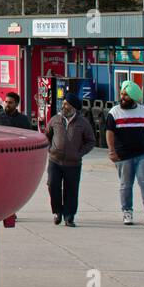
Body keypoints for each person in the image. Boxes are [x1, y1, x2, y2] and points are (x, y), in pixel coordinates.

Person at [105, 80, 144, 226]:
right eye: (122, 94)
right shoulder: (114, 112)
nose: (123, 97)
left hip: (143, 154)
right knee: (126, 185)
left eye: (126, 95)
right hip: (122, 155)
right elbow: (109, 133)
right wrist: (111, 151)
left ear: (134, 97)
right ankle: (127, 211)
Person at [44, 94, 96, 226]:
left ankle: (69, 216)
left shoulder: (83, 123)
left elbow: (90, 141)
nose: (63, 106)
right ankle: (57, 211)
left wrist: (79, 153)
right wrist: (50, 148)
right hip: (55, 161)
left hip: (73, 163)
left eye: (66, 104)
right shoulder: (55, 119)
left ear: (73, 108)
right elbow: (46, 135)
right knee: (52, 185)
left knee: (71, 190)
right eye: (64, 103)